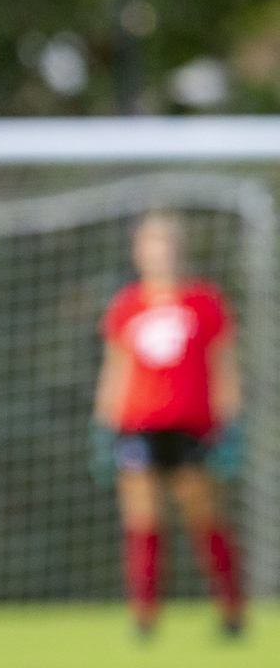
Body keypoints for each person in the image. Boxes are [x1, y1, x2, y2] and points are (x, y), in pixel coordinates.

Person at [91, 211, 245, 639]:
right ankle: (144, 617)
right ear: (137, 252)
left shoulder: (204, 302)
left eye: (165, 243)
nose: (158, 252)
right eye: (149, 244)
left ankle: (231, 610)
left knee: (204, 516)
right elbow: (115, 370)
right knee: (142, 519)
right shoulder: (126, 306)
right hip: (138, 425)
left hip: (193, 424)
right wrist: (102, 426)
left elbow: (224, 367)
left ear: (179, 249)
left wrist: (232, 423)